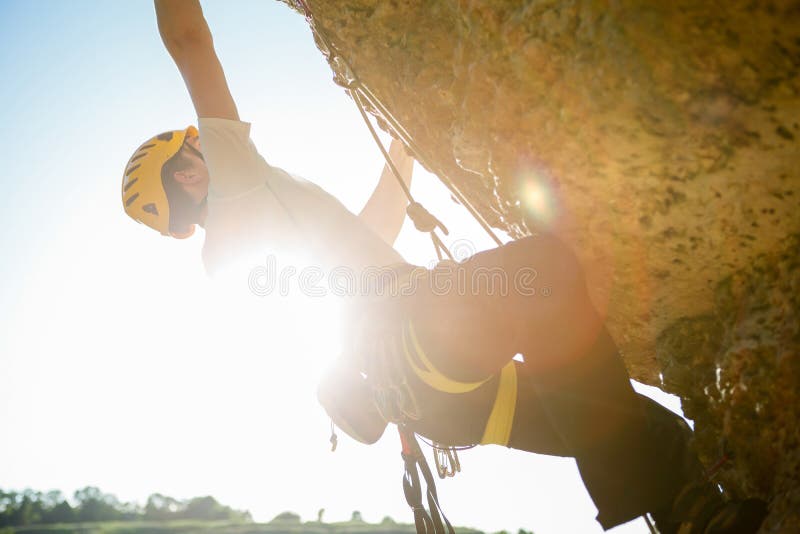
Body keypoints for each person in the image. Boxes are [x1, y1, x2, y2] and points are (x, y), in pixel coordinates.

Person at [122, 2, 766, 532]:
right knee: (544, 275)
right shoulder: (236, 183)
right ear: (186, 171)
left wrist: (404, 147)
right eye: (195, 144)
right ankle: (671, 504)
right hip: (415, 338)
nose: (206, 141)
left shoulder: (240, 239)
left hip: (438, 402)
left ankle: (693, 518)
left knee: (639, 426)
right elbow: (188, 39)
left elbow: (371, 234)